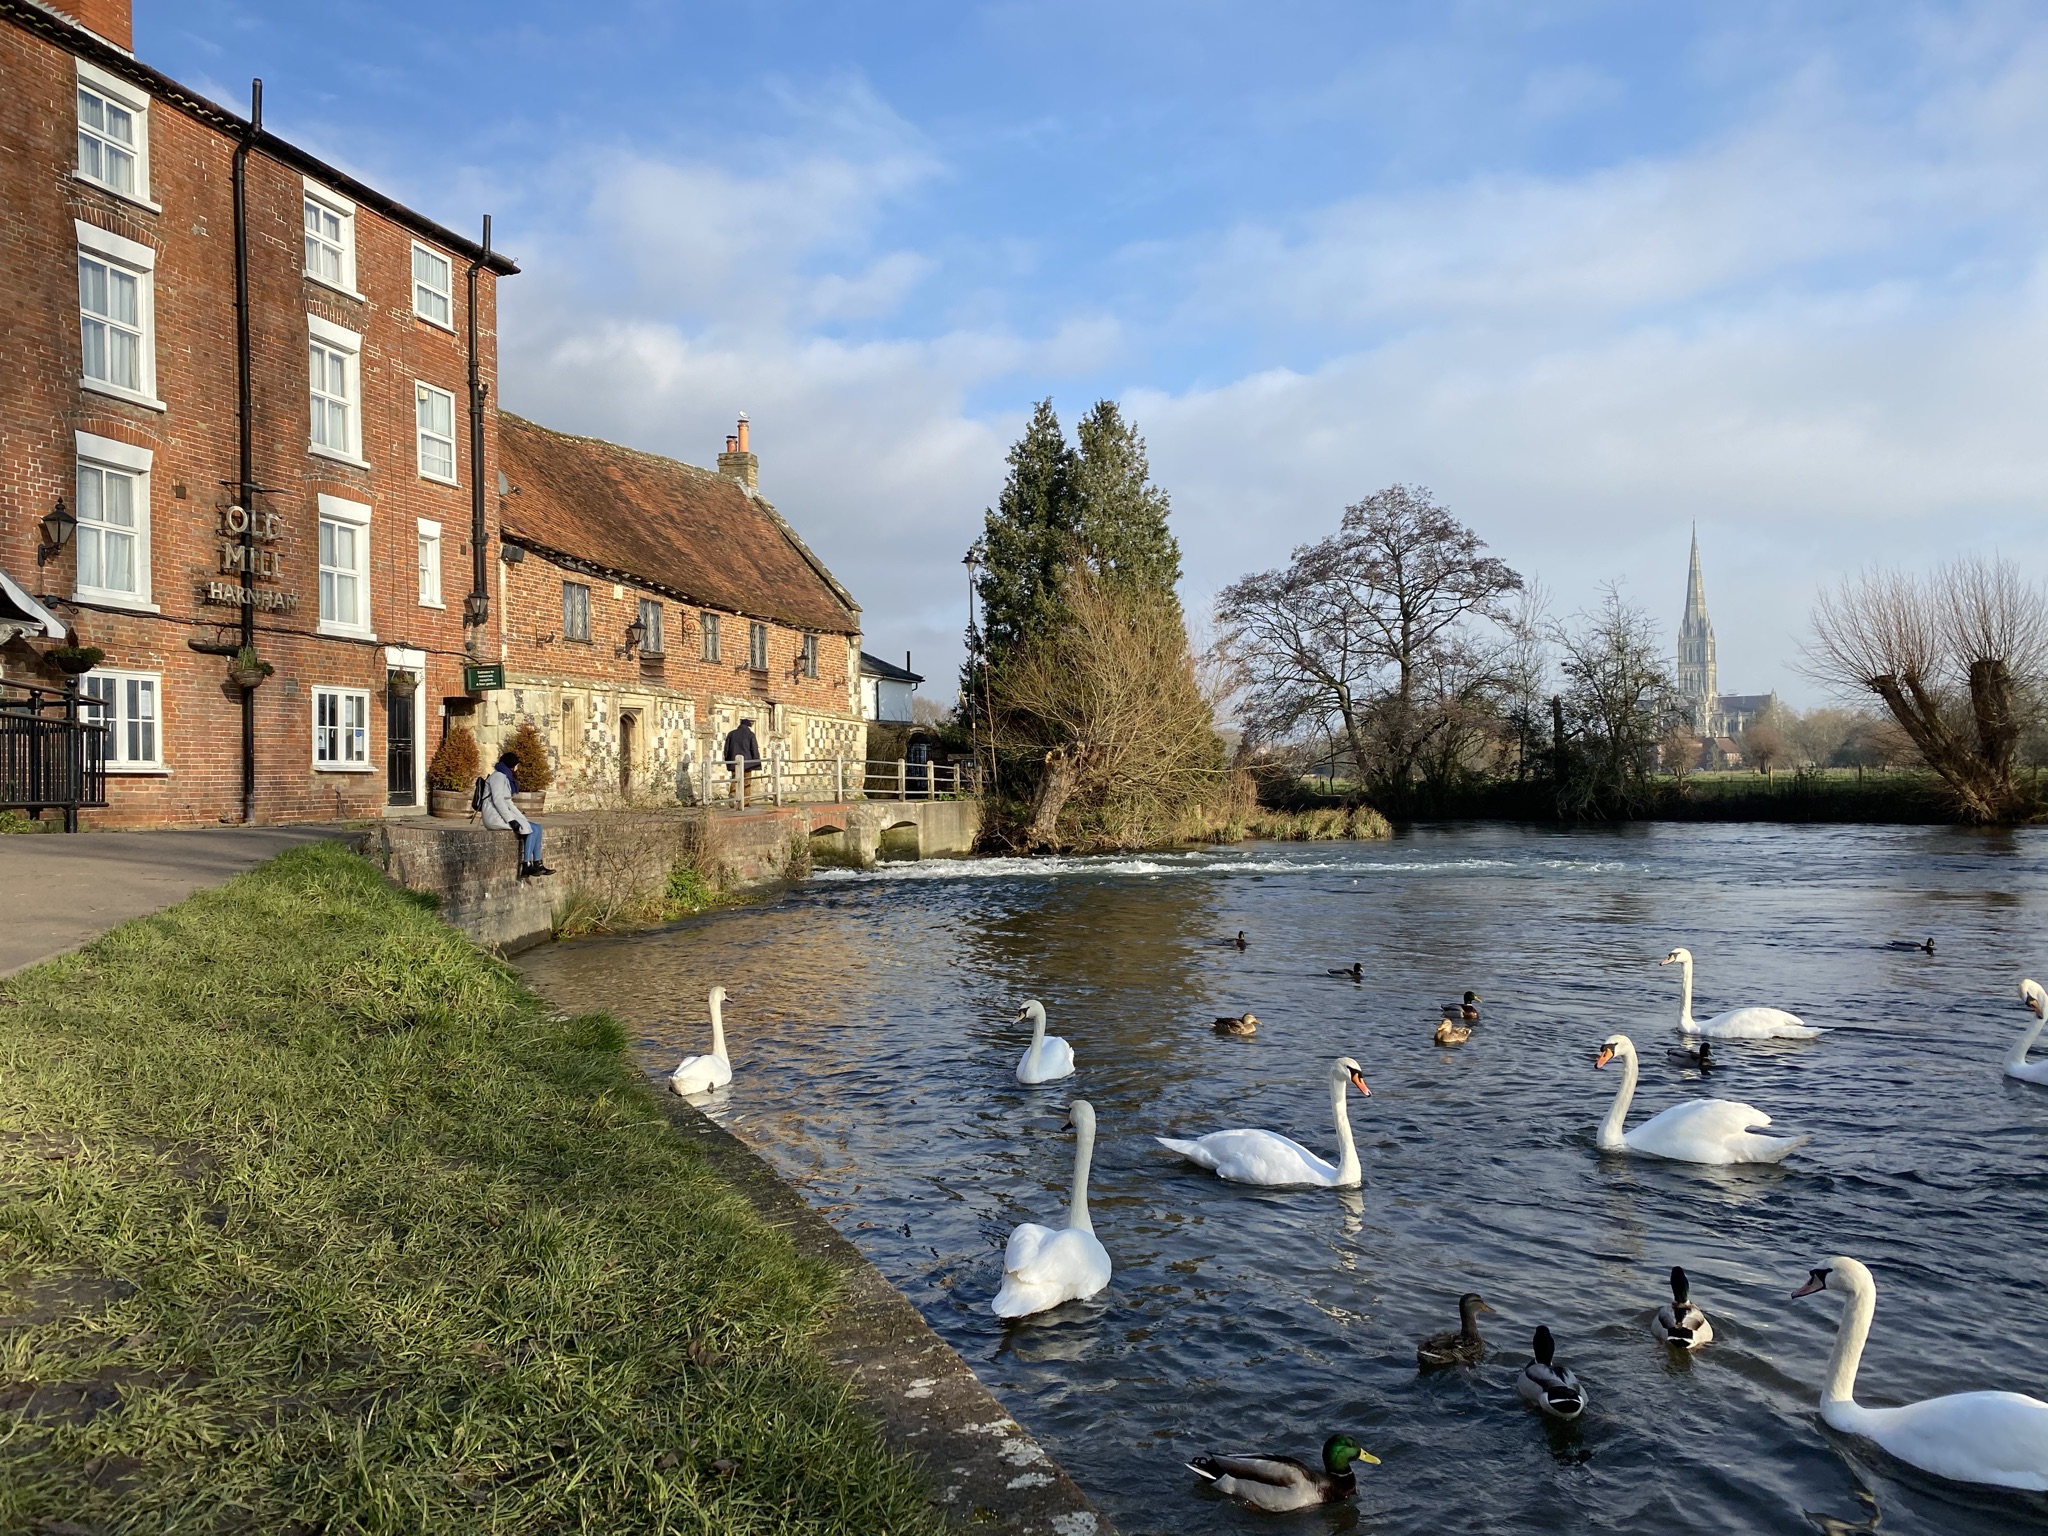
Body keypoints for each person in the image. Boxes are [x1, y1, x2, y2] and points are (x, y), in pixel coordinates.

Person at [481, 750, 553, 877]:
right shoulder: (498, 777)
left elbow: (508, 802)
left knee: (537, 827)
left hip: (500, 814)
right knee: (529, 829)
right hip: (493, 816)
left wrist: (521, 818)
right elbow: (498, 801)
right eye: (517, 765)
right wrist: (511, 820)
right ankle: (526, 865)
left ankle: (538, 863)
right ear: (512, 765)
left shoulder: (505, 777)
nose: (517, 768)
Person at [723, 717, 762, 802]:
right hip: (748, 763)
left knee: (735, 779)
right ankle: (746, 801)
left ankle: (733, 794)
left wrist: (728, 761)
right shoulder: (750, 734)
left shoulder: (731, 734)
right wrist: (756, 762)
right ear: (748, 726)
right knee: (747, 781)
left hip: (734, 761)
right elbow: (754, 749)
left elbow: (726, 750)